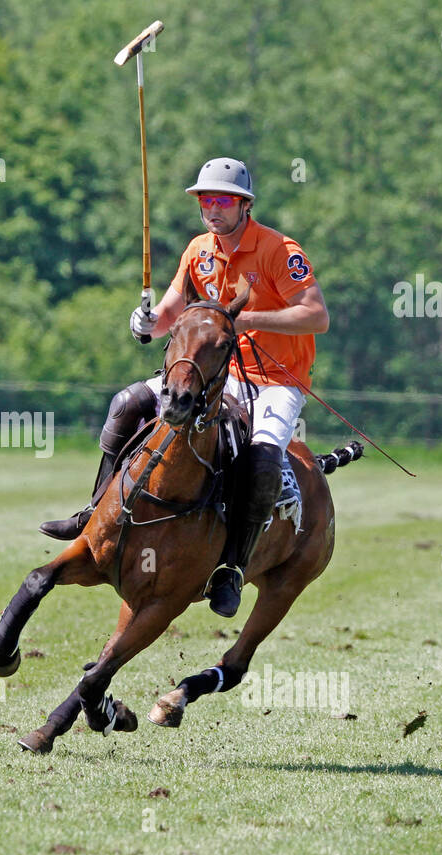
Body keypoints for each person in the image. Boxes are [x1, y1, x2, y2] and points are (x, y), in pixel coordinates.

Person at [39, 157, 330, 617]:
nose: (212, 209)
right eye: (206, 200)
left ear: (244, 206)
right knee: (126, 403)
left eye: (223, 201)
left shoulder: (279, 250)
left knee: (262, 460)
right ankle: (95, 514)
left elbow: (317, 315)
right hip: (214, 372)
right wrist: (147, 323)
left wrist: (244, 319)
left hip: (276, 381)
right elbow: (171, 314)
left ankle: (231, 568)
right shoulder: (198, 251)